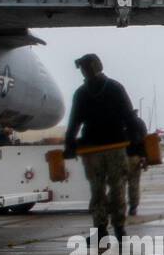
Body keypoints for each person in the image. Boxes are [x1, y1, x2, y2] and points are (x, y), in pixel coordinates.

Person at [63, 54, 143, 242]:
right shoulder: (114, 88)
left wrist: (70, 146)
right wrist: (137, 145)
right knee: (113, 188)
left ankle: (106, 229)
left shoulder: (83, 93)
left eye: (84, 68)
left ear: (91, 68)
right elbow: (129, 118)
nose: (84, 72)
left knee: (102, 190)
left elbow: (74, 123)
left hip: (96, 149)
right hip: (110, 147)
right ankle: (115, 229)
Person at [126, 111, 149, 216]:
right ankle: (133, 207)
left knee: (117, 184)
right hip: (135, 157)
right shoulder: (140, 123)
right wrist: (145, 157)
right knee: (134, 183)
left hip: (119, 156)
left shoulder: (120, 121)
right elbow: (145, 140)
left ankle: (115, 207)